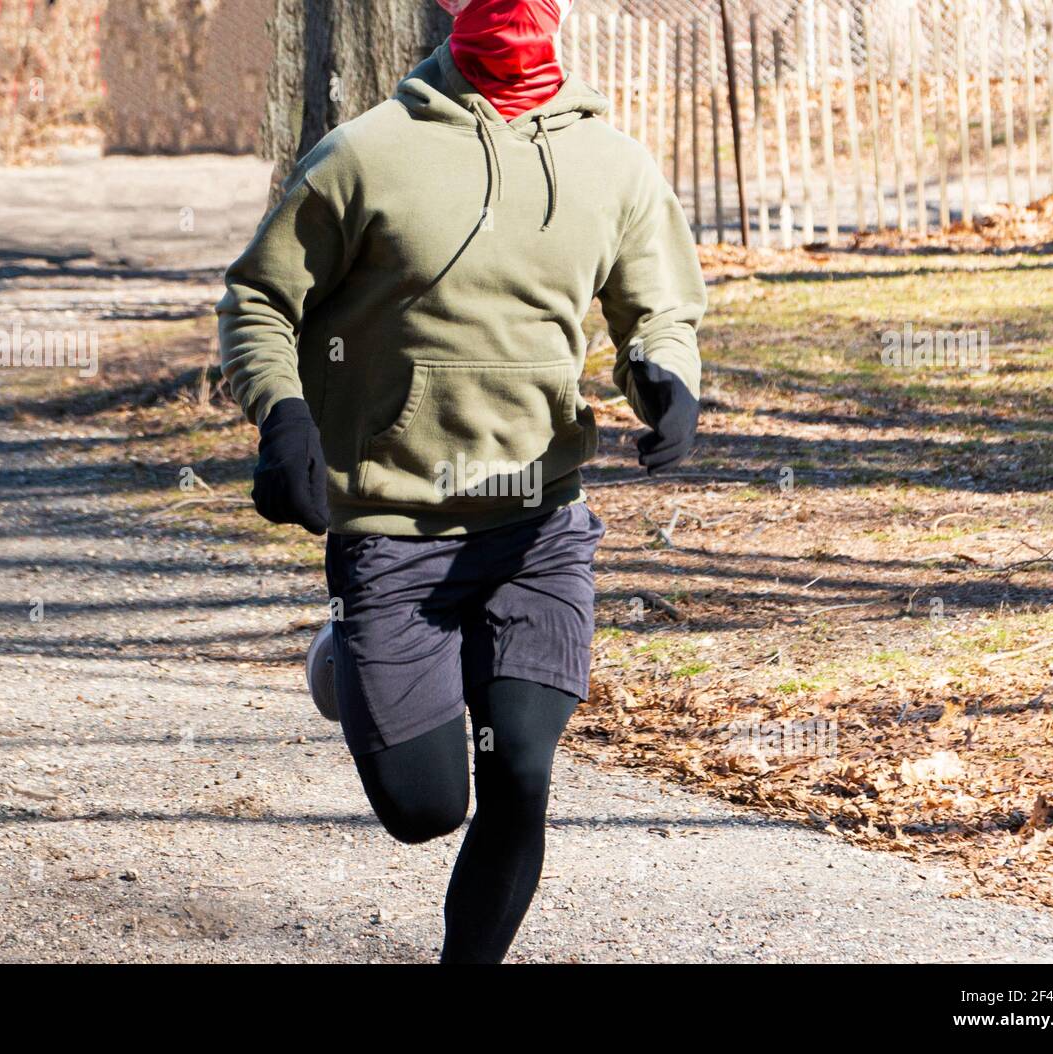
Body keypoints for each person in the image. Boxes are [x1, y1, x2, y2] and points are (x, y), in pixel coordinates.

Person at [216, 0, 705, 964]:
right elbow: (261, 300)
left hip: (539, 527)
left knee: (521, 768)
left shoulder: (615, 163)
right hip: (394, 530)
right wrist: (284, 416)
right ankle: (345, 656)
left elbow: (662, 306)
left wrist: (666, 374)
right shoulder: (367, 153)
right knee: (427, 807)